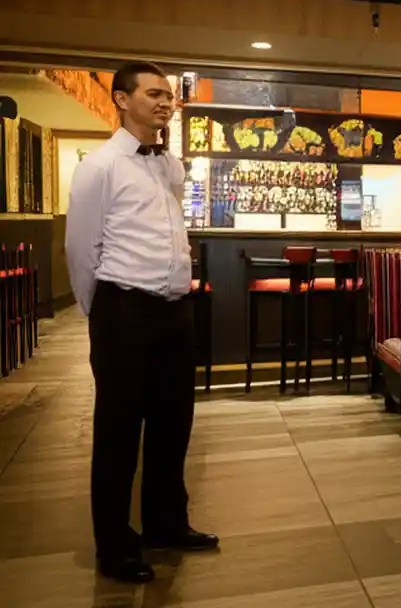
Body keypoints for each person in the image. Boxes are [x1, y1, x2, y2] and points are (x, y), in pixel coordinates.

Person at [66, 62, 218, 584]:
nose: (165, 102)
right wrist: (99, 313)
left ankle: (165, 524)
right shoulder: (101, 166)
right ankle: (114, 546)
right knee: (118, 434)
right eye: (153, 93)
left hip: (175, 311)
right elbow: (81, 249)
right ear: (120, 99)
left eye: (169, 95)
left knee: (174, 426)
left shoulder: (168, 165)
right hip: (124, 312)